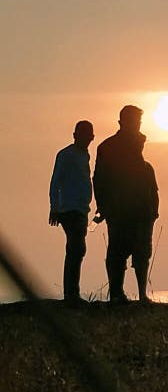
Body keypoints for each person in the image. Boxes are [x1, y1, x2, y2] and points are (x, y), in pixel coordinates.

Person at [93, 105, 159, 303]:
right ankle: (118, 294)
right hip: (121, 208)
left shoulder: (135, 147)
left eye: (139, 122)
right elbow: (99, 179)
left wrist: (152, 211)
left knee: (139, 252)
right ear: (123, 122)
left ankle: (138, 294)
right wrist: (104, 206)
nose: (138, 126)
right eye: (136, 122)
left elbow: (99, 179)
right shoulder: (109, 147)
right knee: (118, 252)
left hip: (139, 208)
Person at [49, 120, 95, 303]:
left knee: (76, 249)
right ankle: (71, 294)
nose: (88, 139)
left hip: (81, 209)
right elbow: (56, 182)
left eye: (89, 136)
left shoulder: (85, 155)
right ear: (75, 135)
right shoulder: (66, 155)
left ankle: (71, 293)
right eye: (84, 135)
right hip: (69, 209)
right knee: (76, 248)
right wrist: (55, 208)